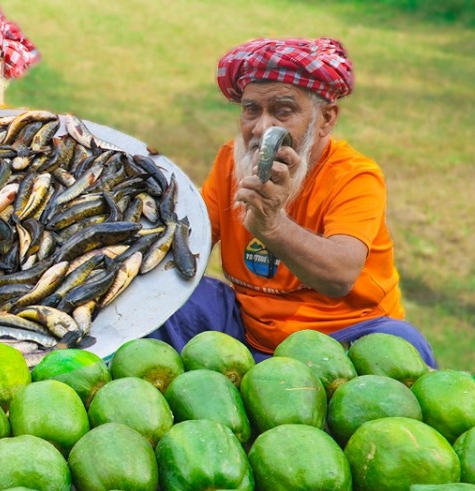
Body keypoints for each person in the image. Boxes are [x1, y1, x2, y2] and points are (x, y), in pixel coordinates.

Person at [151, 37, 437, 367]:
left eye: (283, 111)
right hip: (247, 332)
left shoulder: (354, 176)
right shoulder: (231, 161)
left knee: (401, 344)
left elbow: (340, 276)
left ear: (326, 119)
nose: (262, 127)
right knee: (168, 301)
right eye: (251, 110)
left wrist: (273, 227)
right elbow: (184, 242)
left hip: (343, 339)